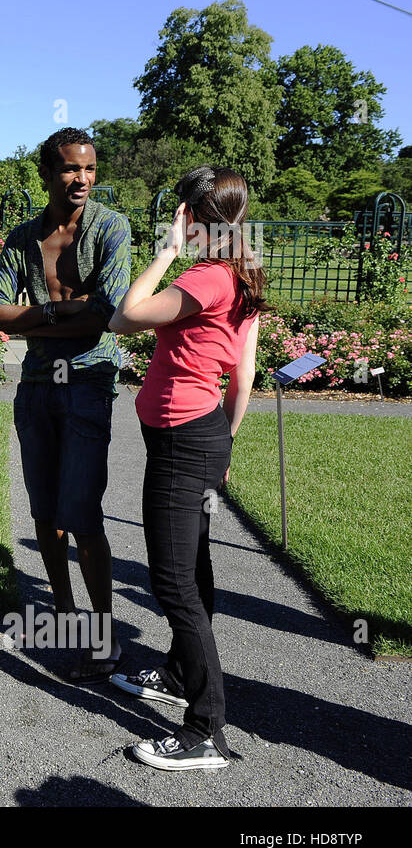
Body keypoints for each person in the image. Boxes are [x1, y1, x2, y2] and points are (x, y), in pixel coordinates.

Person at [107, 166, 265, 771]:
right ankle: (176, 672)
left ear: (193, 217)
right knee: (192, 568)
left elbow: (127, 315)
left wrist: (166, 253)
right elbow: (242, 371)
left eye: (181, 214)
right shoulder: (245, 273)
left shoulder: (208, 276)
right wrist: (224, 441)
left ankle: (205, 731)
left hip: (180, 441)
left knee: (172, 581)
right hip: (200, 437)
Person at [0, 128, 131, 681]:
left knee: (83, 513)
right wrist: (53, 314)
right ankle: (65, 617)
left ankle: (103, 632)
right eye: (70, 169)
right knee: (45, 512)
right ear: (47, 174)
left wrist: (38, 318)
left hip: (90, 381)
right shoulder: (23, 239)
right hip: (37, 386)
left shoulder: (113, 227)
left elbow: (106, 316)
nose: (82, 180)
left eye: (89, 170)